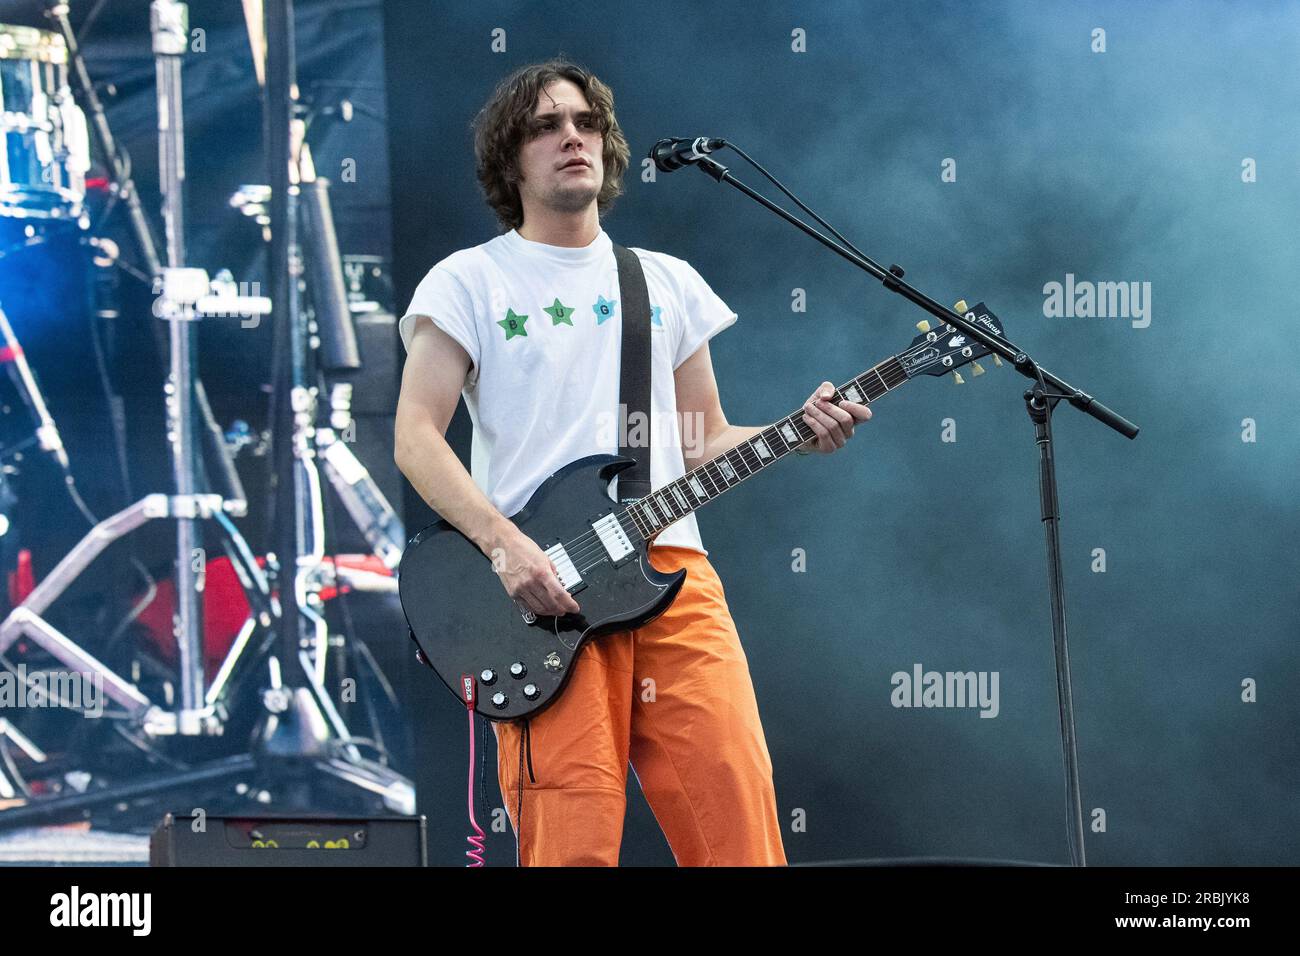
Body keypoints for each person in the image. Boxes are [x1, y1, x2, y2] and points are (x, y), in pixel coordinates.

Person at [394, 59, 871, 866]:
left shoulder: (663, 281)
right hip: (546, 597)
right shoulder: (469, 280)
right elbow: (415, 436)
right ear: (511, 159)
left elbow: (703, 442)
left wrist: (798, 428)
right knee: (571, 846)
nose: (571, 137)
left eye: (584, 123)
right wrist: (507, 548)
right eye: (545, 126)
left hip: (673, 572)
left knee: (740, 826)